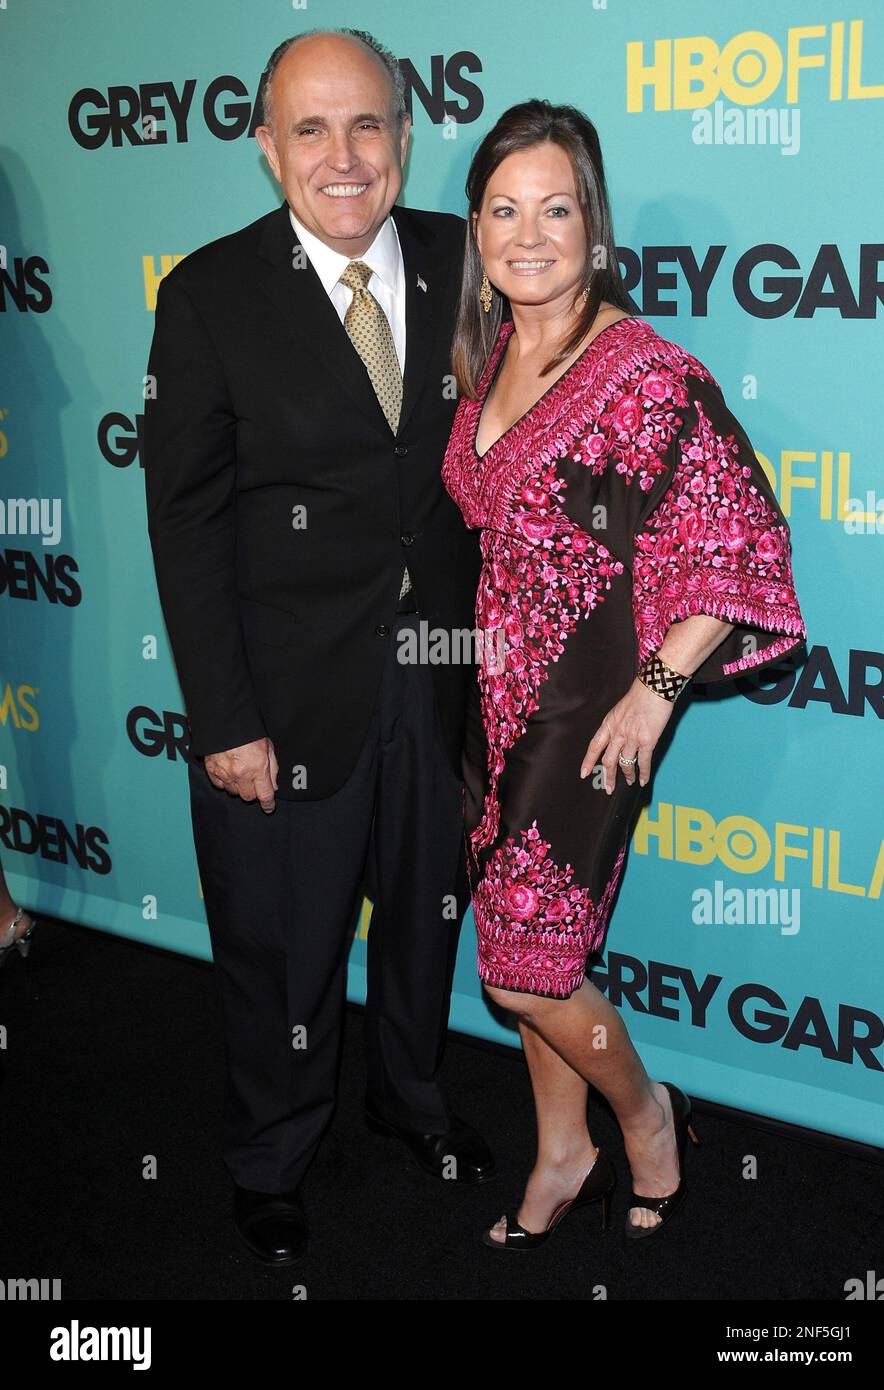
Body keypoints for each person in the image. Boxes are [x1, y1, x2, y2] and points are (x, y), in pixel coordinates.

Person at [143, 28, 494, 1267]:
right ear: (264, 146)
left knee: (422, 918)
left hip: (439, 680)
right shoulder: (206, 295)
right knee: (278, 945)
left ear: (405, 137)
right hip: (282, 697)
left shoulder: (469, 264)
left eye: (367, 127)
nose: (343, 157)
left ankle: (410, 1099)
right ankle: (272, 1153)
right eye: (310, 129)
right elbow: (183, 528)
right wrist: (224, 717)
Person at [441, 100, 807, 1246]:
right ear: (476, 228)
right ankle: (562, 1148)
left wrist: (654, 688)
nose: (528, 232)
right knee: (528, 952)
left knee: (521, 974)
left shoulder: (643, 367)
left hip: (585, 717)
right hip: (489, 708)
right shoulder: (491, 349)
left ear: (592, 228)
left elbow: (737, 532)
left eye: (556, 208)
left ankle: (645, 1115)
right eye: (504, 208)